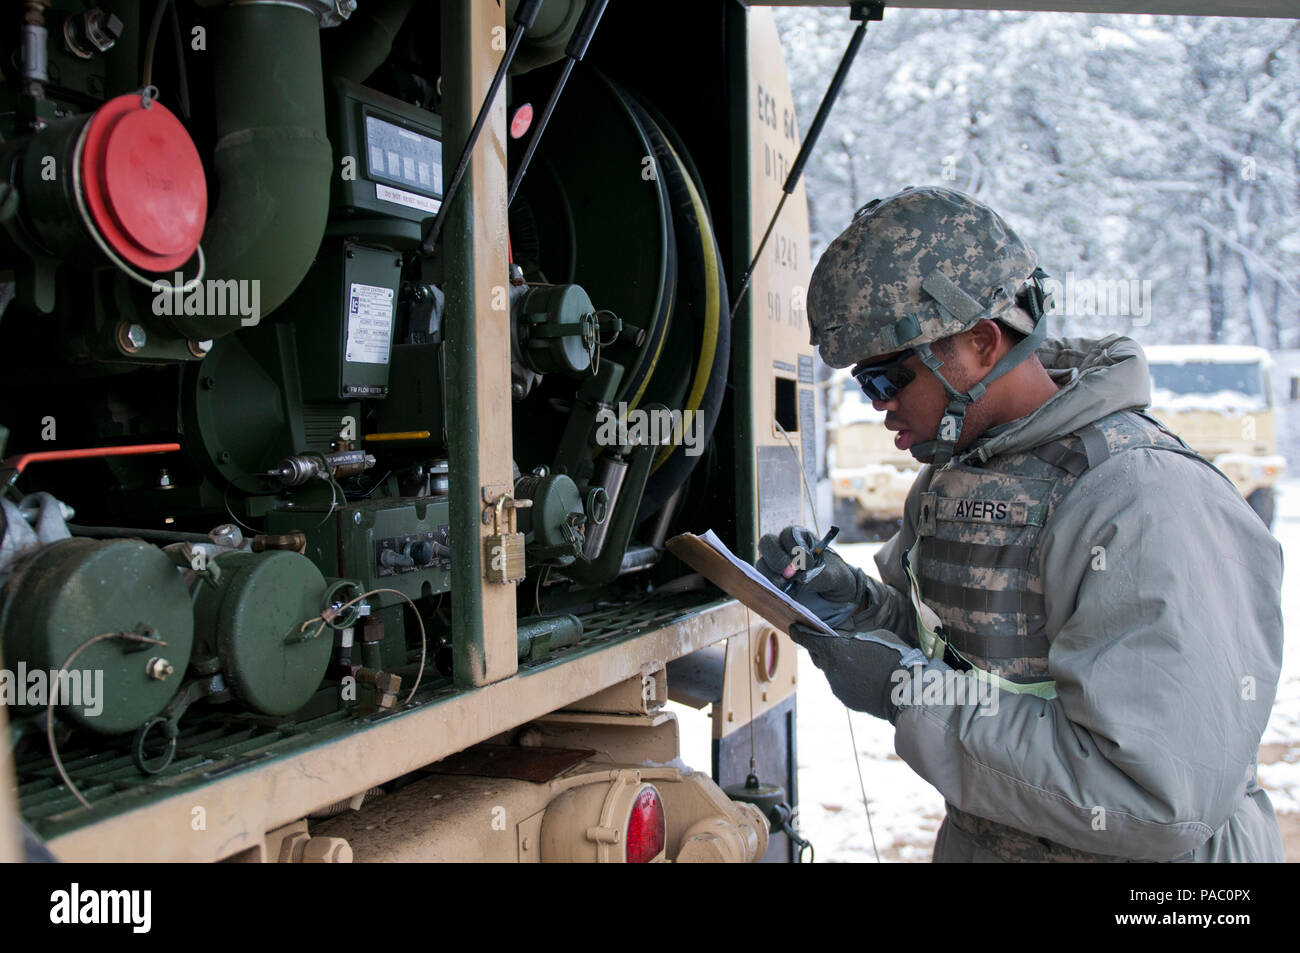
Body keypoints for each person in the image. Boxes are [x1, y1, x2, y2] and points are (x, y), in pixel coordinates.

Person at [758, 186, 1284, 862]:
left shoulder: (1141, 499)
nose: (878, 407)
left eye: (889, 378)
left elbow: (1153, 803)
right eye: (866, 386)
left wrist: (905, 693)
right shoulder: (953, 480)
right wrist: (858, 607)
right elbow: (961, 655)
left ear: (980, 342)